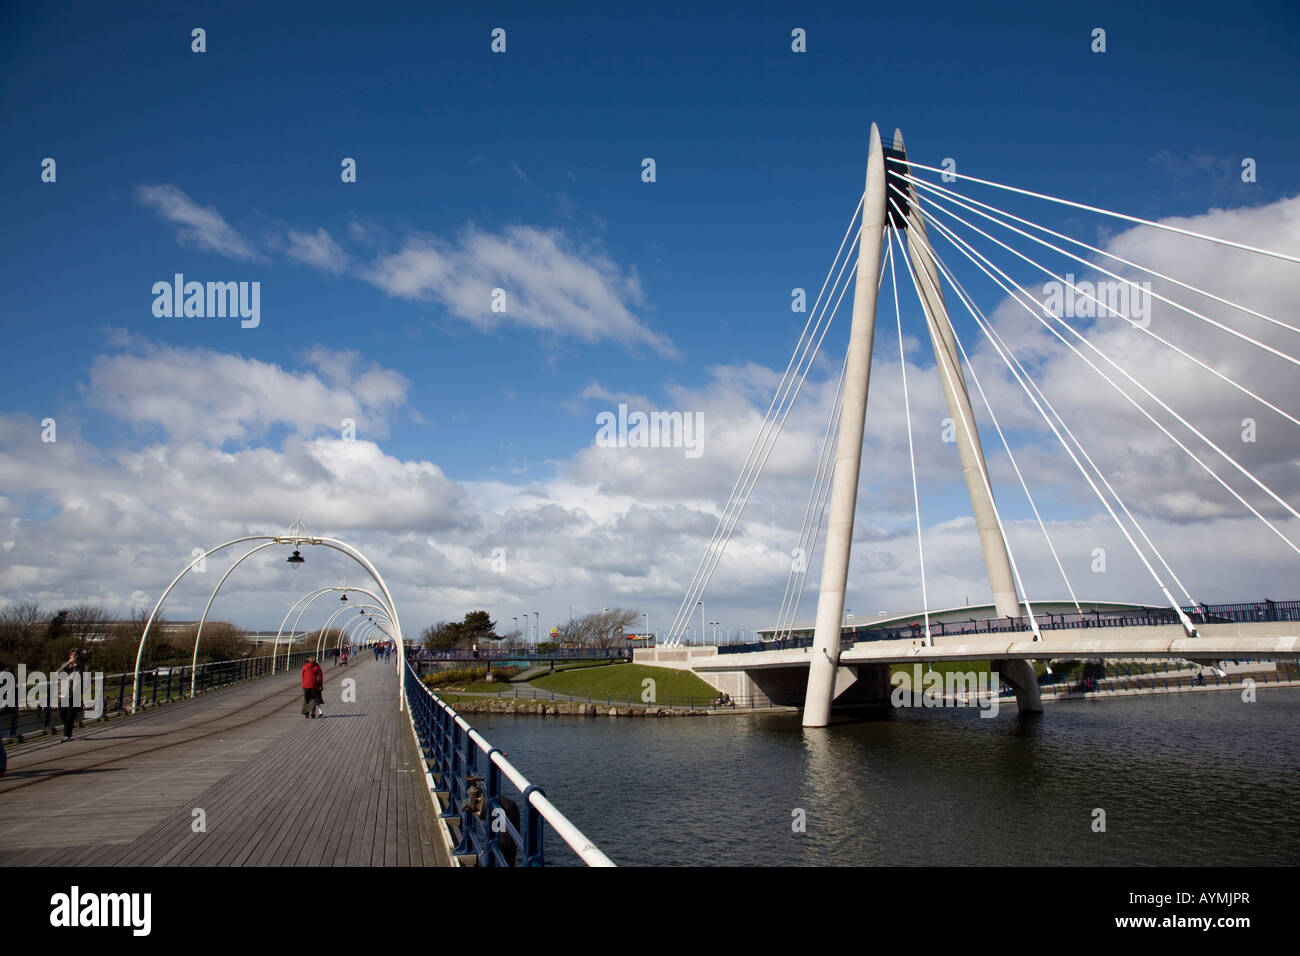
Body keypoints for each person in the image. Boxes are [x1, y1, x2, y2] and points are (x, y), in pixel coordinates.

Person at [57, 649, 85, 742]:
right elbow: (58, 673)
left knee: (70, 715)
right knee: (62, 714)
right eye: (72, 655)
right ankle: (69, 726)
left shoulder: (81, 667)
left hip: (74, 695)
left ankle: (67, 735)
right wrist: (68, 663)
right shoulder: (65, 665)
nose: (74, 657)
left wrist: (76, 667)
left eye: (76, 655)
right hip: (63, 694)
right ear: (69, 656)